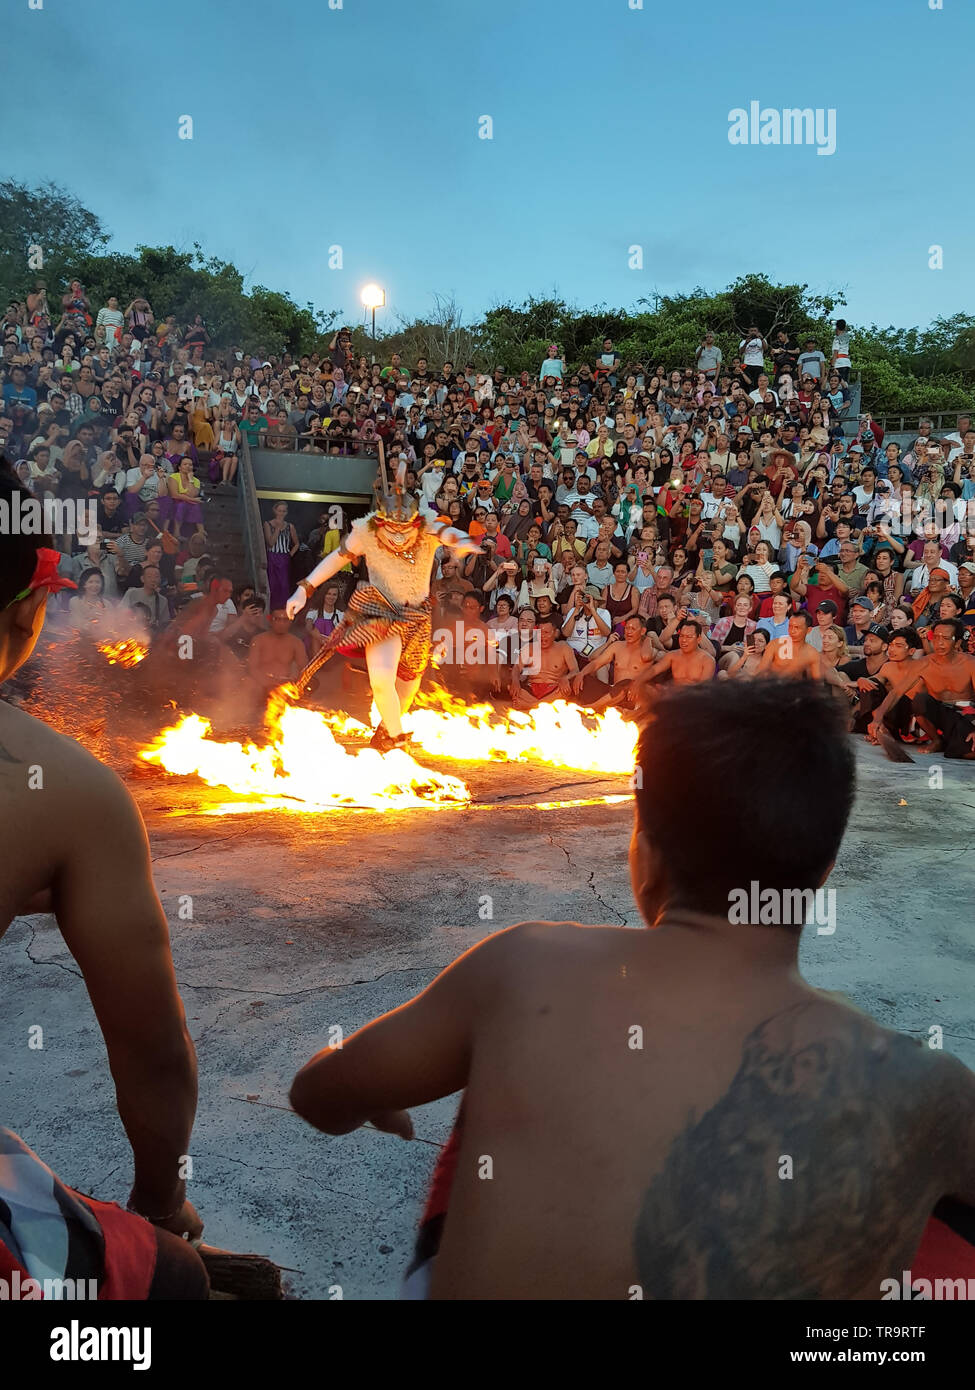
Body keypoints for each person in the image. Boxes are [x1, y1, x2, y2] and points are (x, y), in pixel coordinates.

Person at [290, 679, 975, 1299]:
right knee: (924, 1201)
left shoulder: (527, 964)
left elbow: (318, 1096)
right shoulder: (930, 1084)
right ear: (823, 870)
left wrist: (364, 1090)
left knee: (506, 1074)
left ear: (642, 852)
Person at [0, 466, 206, 1298]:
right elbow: (155, 1055)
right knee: (177, 1281)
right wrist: (163, 1200)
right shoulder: (63, 788)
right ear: (29, 604)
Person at [286, 460, 480, 752]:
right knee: (381, 681)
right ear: (380, 521)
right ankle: (398, 741)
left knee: (407, 690)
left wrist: (463, 543)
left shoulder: (428, 527)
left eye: (406, 530)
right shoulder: (366, 530)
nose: (399, 537)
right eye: (392, 529)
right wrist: (305, 588)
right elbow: (337, 558)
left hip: (417, 617)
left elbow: (450, 535)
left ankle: (387, 733)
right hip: (380, 612)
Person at [869, 618, 975, 757]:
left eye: (946, 638)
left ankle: (953, 742)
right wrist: (877, 719)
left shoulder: (970, 663)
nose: (939, 642)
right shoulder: (924, 663)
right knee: (920, 700)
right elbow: (896, 692)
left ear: (958, 642)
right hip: (939, 712)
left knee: (963, 751)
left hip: (965, 712)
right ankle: (936, 741)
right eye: (935, 637)